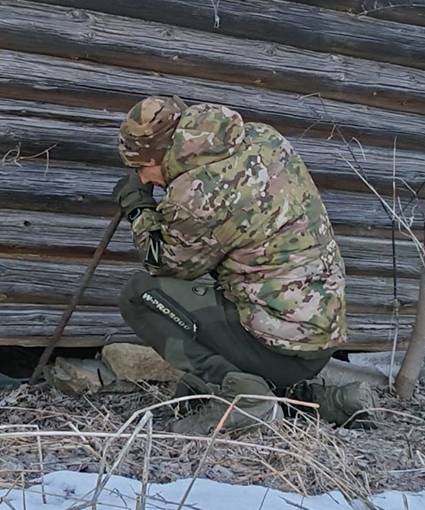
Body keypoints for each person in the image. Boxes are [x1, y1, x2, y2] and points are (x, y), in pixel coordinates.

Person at [112, 96, 375, 434]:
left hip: (278, 347)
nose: (144, 179)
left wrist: (138, 207)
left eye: (139, 168)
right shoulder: (261, 137)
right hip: (319, 337)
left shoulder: (197, 194)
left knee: (140, 295)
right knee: (229, 301)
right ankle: (327, 399)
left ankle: (247, 402)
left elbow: (167, 264)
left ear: (158, 155)